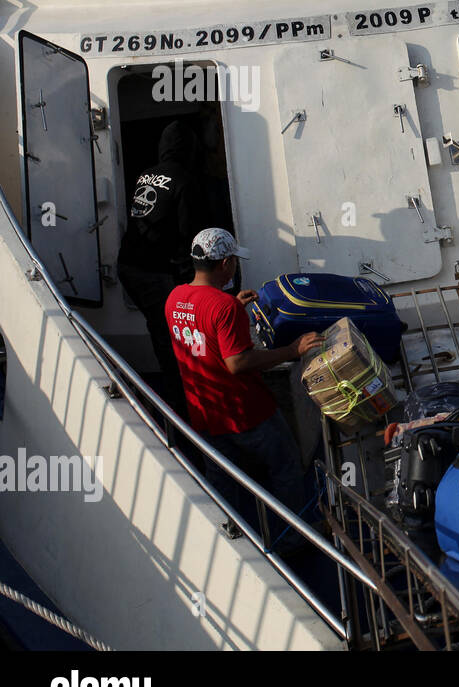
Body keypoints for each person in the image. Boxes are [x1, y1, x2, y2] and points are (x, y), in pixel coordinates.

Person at [164, 227, 320, 539]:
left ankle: (227, 535)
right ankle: (294, 539)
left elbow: (201, 331)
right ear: (225, 264)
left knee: (221, 477)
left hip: (204, 413)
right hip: (244, 412)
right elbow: (238, 363)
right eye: (234, 261)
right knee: (286, 467)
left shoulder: (175, 298)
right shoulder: (224, 307)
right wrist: (292, 350)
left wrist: (232, 306)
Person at [117, 120, 208, 416]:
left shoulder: (146, 174)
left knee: (159, 327)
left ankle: (176, 394)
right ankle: (179, 403)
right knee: (168, 334)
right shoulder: (185, 180)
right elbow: (188, 233)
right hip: (153, 271)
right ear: (189, 149)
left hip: (129, 265)